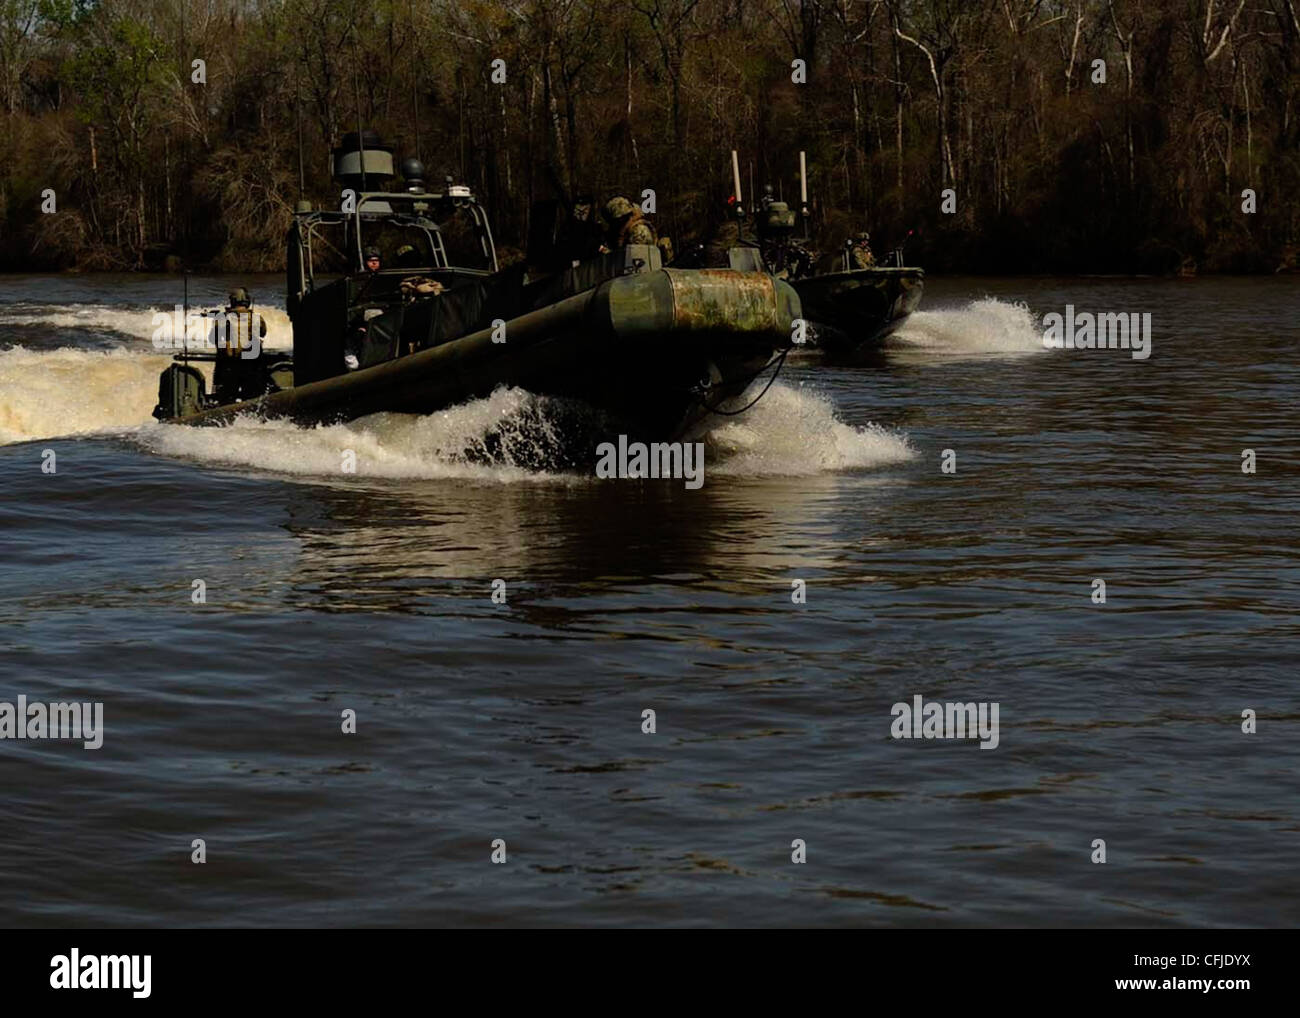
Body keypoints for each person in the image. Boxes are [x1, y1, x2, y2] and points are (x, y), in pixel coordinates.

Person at [212, 288, 268, 405]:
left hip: (229, 366)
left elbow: (214, 337)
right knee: (253, 400)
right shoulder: (255, 318)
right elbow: (263, 332)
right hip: (251, 366)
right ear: (246, 301)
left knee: (226, 401)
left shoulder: (222, 319)